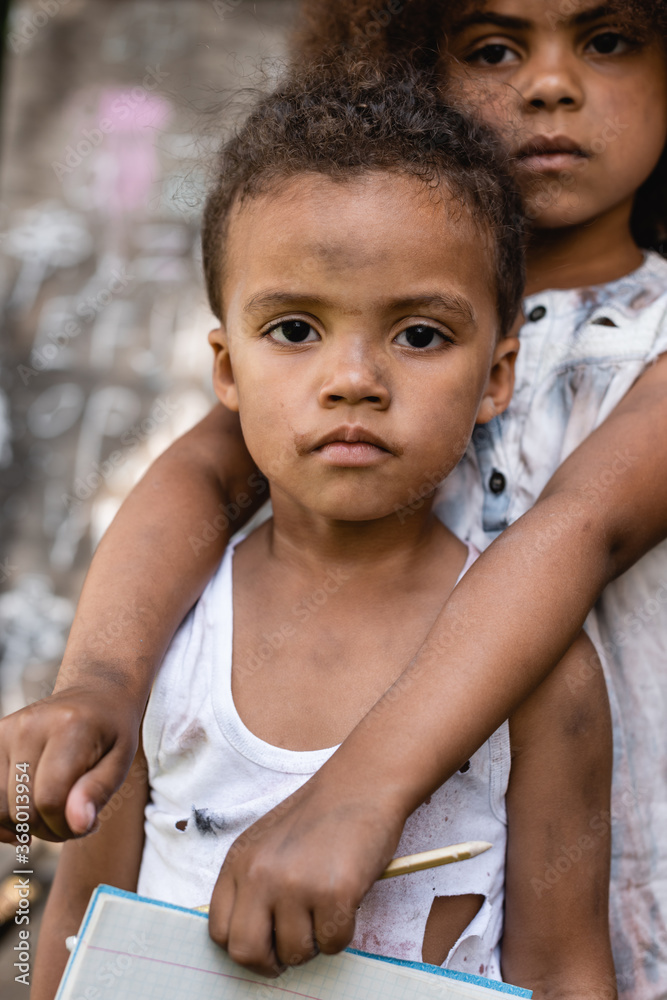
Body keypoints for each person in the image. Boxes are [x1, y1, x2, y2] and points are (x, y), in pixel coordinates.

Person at [2, 0, 667, 992]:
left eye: (608, 39)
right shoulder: (202, 632)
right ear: (404, 57)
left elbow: (574, 531)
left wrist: (359, 793)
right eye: (492, 47)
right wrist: (101, 681)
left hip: (600, 841)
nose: (549, 84)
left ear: (495, 367)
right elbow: (192, 474)